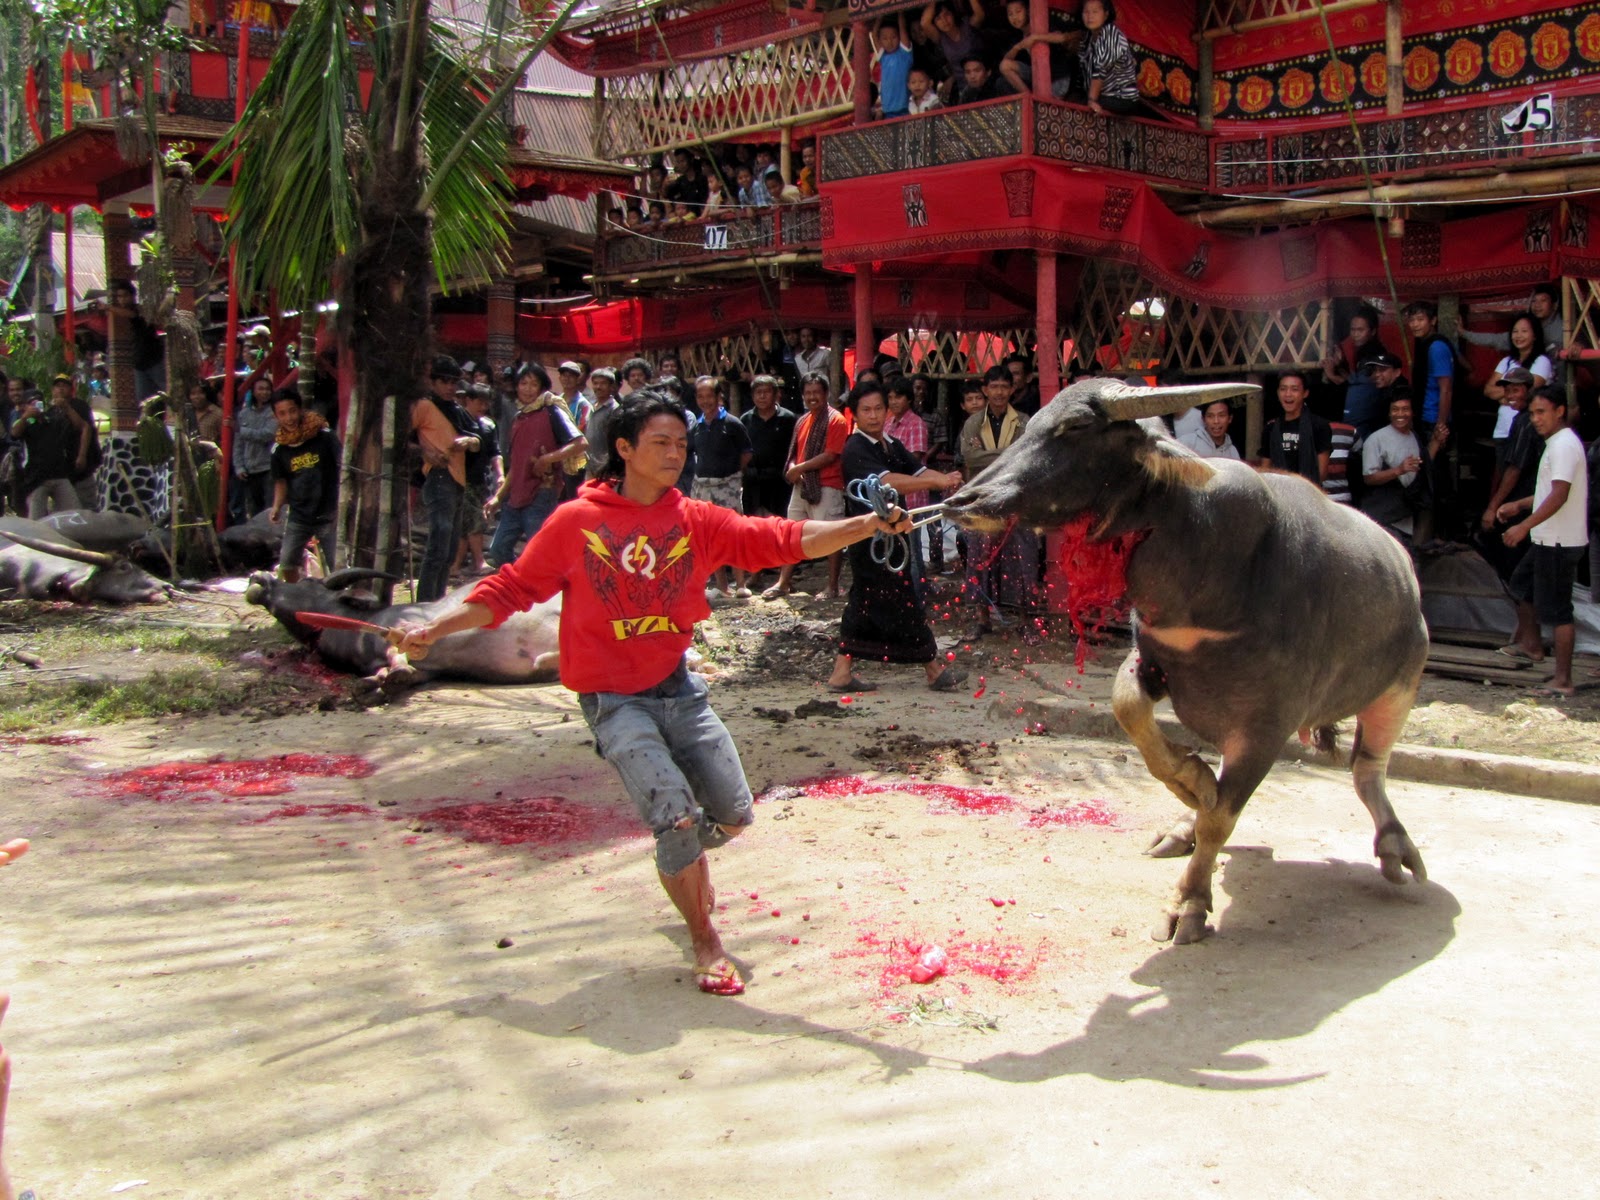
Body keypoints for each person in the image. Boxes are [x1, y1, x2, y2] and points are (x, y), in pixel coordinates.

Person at [394, 390, 913, 996]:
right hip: (613, 700)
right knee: (674, 818)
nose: (674, 454)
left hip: (680, 691)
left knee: (736, 817)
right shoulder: (574, 522)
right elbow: (511, 588)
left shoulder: (693, 519)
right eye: (660, 443)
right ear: (623, 449)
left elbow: (783, 538)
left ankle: (690, 855)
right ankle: (703, 938)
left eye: (680, 445)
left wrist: (868, 524)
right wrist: (435, 628)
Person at [827, 382, 967, 693]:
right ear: (855, 415)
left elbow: (917, 472)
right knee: (899, 598)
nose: (874, 415)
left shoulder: (890, 443)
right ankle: (933, 669)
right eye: (866, 410)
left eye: (878, 409)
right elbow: (887, 483)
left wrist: (946, 479)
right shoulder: (855, 448)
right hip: (871, 540)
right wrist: (939, 479)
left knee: (868, 601)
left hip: (892, 537)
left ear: (886, 411)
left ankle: (842, 671)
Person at [1496, 389, 1589, 697]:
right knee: (1521, 584)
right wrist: (1521, 505)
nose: (1536, 419)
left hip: (1560, 539)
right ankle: (1531, 644)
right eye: (1533, 413)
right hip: (1547, 536)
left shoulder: (1564, 445)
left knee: (1559, 610)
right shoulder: (1556, 445)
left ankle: (1563, 679)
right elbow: (1550, 491)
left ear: (1559, 411)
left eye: (1541, 412)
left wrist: (1523, 525)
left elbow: (1559, 496)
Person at [958, 365, 1044, 643]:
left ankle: (1025, 621)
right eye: (993, 387)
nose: (998, 392)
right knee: (979, 558)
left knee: (1024, 560)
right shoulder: (973, 422)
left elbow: (1025, 459)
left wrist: (991, 455)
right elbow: (970, 458)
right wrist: (1008, 453)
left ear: (1011, 389)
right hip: (982, 500)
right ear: (985, 390)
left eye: (1003, 387)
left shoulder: (1023, 420)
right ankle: (982, 620)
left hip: (1017, 500)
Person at [763, 372, 852, 599]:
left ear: (826, 394)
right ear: (803, 395)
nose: (812, 397)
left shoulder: (836, 419)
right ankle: (783, 582)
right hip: (802, 486)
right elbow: (794, 452)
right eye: (808, 393)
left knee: (831, 536)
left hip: (828, 485)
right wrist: (795, 468)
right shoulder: (802, 420)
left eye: (816, 393)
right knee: (791, 532)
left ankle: (832, 586)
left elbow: (831, 455)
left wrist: (800, 468)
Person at [488, 364, 584, 568]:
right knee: (498, 551)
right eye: (524, 383)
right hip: (516, 495)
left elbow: (580, 443)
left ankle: (544, 594)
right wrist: (498, 496)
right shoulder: (519, 418)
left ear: (542, 388)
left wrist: (546, 459)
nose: (528, 389)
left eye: (534, 384)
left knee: (539, 552)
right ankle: (522, 583)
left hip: (542, 492)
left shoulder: (551, 411)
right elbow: (517, 464)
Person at [411, 356, 481, 602]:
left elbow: (477, 439)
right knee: (439, 543)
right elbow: (403, 439)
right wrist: (425, 452)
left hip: (458, 479)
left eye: (453, 382)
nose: (450, 387)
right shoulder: (424, 406)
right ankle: (425, 601)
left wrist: (469, 441)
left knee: (449, 548)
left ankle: (437, 599)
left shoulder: (457, 410)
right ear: (433, 382)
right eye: (444, 381)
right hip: (438, 476)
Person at [689, 376, 755, 597]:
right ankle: (722, 586)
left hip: (727, 486)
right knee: (710, 537)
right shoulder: (696, 426)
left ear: (719, 397)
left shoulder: (732, 423)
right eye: (701, 396)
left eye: (710, 396)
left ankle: (741, 584)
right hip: (702, 487)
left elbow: (746, 453)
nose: (705, 401)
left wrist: (731, 473)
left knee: (732, 533)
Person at [268, 389, 341, 581]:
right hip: (299, 515)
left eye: (292, 411)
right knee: (287, 561)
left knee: (337, 563)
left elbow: (343, 469)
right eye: (282, 413)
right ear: (275, 416)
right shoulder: (279, 449)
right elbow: (281, 482)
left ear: (300, 410)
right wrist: (276, 506)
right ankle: (294, 595)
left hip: (328, 512)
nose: (289, 418)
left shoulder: (325, 437)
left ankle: (340, 599)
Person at [1361, 395, 1445, 544]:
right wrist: (1399, 470)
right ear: (1389, 413)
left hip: (1409, 514)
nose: (1400, 414)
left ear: (1412, 412)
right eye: (1395, 410)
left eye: (1405, 409)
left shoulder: (1414, 436)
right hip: (1385, 517)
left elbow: (1423, 467)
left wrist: (1436, 441)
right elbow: (1369, 478)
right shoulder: (1376, 439)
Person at [10, 375, 93, 518]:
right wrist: (26, 416)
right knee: (35, 518)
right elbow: (14, 432)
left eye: (39, 403)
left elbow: (81, 426)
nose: (37, 406)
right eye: (33, 403)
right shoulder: (26, 422)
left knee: (76, 515)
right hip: (36, 479)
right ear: (25, 406)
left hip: (59, 475)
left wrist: (67, 408)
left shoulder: (53, 419)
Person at [1482, 313, 1554, 450]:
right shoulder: (1507, 361)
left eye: (1524, 331)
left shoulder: (1541, 361)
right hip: (1502, 430)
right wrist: (1512, 393)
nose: (1518, 335)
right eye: (1515, 331)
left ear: (1535, 335)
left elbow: (1528, 391)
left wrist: (1503, 397)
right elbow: (1488, 390)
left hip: (1526, 430)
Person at [1322, 303, 1391, 438]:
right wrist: (1342, 365)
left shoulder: (1373, 353)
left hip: (1368, 416)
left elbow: (1357, 387)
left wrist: (1331, 375)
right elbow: (1355, 379)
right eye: (1353, 330)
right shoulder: (1364, 350)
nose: (1355, 335)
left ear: (1373, 331)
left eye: (1360, 330)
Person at [453, 384, 501, 580]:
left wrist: (500, 474)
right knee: (471, 523)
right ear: (468, 400)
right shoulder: (457, 421)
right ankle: (476, 562)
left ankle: (458, 564)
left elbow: (495, 453)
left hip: (480, 480)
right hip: (460, 479)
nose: (483, 406)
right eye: (478, 401)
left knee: (472, 522)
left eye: (486, 402)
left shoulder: (488, 426)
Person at [997, 0, 1083, 100]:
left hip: (1058, 77)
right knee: (1005, 66)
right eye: (1010, 14)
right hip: (1036, 75)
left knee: (1046, 106)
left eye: (1018, 11)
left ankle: (1035, 102)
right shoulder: (1017, 36)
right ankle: (1029, 98)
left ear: (1028, 11)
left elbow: (1062, 37)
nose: (1014, 17)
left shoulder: (1040, 25)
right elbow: (1006, 61)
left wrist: (1035, 38)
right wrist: (1017, 47)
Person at [1257, 370, 1331, 485]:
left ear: (1305, 393)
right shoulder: (1270, 429)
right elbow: (1265, 471)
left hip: (1310, 493)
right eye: (1283, 389)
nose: (1288, 394)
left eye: (1294, 389)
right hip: (1279, 494)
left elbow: (1322, 473)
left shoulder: (1319, 426)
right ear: (1277, 393)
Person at [740, 374, 798, 518]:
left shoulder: (788, 419)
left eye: (766, 392)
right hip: (753, 484)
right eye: (758, 392)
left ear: (776, 394)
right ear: (752, 396)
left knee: (780, 526)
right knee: (753, 526)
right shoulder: (746, 419)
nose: (762, 396)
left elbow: (795, 449)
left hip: (779, 483)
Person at [232, 375, 280, 521]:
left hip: (268, 467)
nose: (264, 392)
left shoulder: (274, 412)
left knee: (270, 508)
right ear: (253, 391)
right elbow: (238, 444)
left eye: (267, 389)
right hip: (249, 468)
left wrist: (242, 430)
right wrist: (239, 466)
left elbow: (267, 435)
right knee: (253, 509)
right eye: (260, 389)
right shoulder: (244, 414)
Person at [1079, 0, 1139, 116]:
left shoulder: (1111, 34)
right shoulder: (1088, 38)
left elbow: (1100, 70)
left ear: (1106, 15)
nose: (1090, 16)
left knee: (1084, 106)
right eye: (1086, 12)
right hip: (1102, 96)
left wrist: (1092, 100)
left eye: (1095, 12)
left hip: (1122, 97)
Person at [108, 280, 165, 401]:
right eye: (119, 297)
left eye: (125, 296)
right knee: (144, 401)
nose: (122, 300)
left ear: (132, 296)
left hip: (154, 360)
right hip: (139, 363)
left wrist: (107, 307)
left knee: (166, 392)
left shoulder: (140, 310)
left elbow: (131, 314)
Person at [921, 0, 987, 102]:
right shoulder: (940, 38)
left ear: (953, 14)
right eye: (938, 18)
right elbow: (924, 23)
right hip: (964, 89)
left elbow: (979, 14)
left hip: (983, 83)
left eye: (946, 14)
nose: (944, 21)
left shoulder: (966, 26)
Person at [875, 14, 915, 118]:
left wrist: (899, 14)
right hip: (888, 109)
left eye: (893, 37)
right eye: (885, 38)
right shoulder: (883, 57)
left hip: (906, 106)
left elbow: (902, 28)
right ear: (880, 41)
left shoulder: (904, 54)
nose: (889, 41)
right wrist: (879, 18)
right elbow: (874, 35)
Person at [583, 368, 620, 481]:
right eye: (595, 383)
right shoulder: (591, 406)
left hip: (606, 469)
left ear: (611, 386)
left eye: (603, 383)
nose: (598, 387)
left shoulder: (614, 409)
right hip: (590, 466)